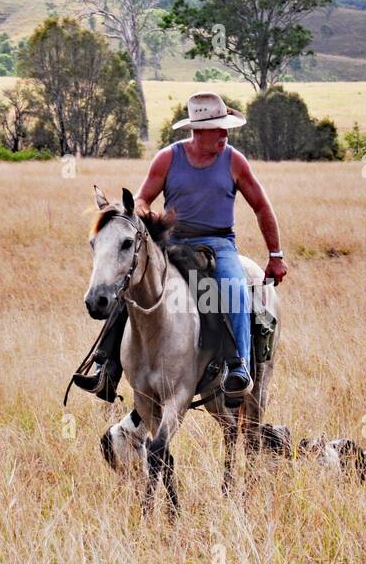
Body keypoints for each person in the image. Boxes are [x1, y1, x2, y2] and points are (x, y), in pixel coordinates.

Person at [75, 91, 286, 402]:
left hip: (219, 243)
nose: (225, 134)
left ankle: (237, 366)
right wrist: (147, 212)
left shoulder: (234, 160)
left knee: (232, 287)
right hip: (173, 243)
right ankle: (106, 368)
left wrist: (275, 255)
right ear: (199, 131)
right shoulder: (168, 158)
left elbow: (261, 206)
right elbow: (143, 199)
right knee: (131, 287)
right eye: (219, 127)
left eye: (226, 127)